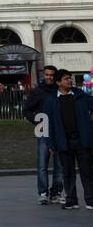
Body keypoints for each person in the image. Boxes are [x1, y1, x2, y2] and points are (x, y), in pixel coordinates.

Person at [42, 71, 93, 210]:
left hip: (82, 140)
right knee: (67, 172)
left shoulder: (80, 96)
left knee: (87, 171)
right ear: (58, 82)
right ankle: (71, 199)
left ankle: (90, 200)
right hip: (63, 141)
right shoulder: (51, 100)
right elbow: (47, 123)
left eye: (70, 78)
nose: (69, 81)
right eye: (66, 79)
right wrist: (50, 143)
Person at [26, 65, 67, 204]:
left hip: (59, 131)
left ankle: (56, 192)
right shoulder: (37, 91)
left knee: (59, 164)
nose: (49, 77)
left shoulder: (60, 91)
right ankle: (43, 192)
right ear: (43, 75)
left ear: (55, 77)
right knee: (42, 163)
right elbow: (26, 110)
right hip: (43, 130)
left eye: (51, 75)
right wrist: (37, 122)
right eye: (47, 74)